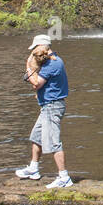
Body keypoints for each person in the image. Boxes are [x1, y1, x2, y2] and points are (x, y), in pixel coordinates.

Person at [16, 35, 72, 189]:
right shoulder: (51, 61)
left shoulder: (51, 65)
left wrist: (28, 66)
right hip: (47, 106)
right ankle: (33, 169)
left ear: (42, 46)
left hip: (52, 107)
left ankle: (64, 177)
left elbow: (36, 84)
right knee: (36, 137)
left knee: (54, 142)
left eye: (34, 49)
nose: (33, 52)